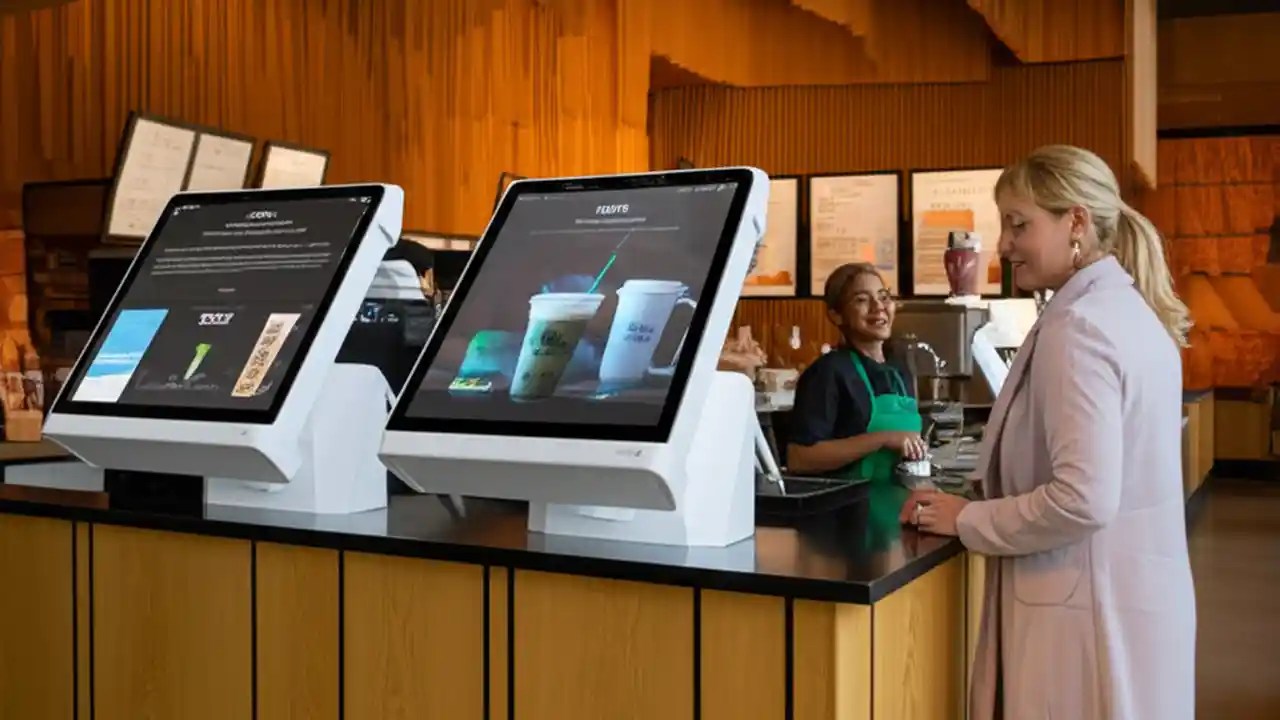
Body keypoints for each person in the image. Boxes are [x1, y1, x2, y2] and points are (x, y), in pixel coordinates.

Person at [901, 145, 1195, 719]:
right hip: (1132, 601)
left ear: (1076, 222)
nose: (1004, 243)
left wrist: (967, 518)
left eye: (1018, 224)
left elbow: (1082, 499)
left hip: (1083, 612)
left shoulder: (1079, 327)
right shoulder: (1129, 311)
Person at [786, 263, 927, 480]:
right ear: (836, 315)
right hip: (853, 510)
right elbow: (800, 458)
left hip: (902, 509)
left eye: (884, 296)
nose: (878, 307)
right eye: (862, 300)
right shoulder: (828, 372)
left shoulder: (900, 371)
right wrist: (882, 439)